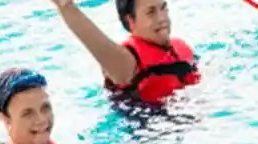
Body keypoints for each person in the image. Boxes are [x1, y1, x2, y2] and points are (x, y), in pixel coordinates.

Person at [50, 0, 199, 104]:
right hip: (152, 135)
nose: (162, 18)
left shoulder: (180, 47)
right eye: (151, 12)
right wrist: (66, 7)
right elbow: (94, 41)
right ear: (130, 21)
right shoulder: (127, 63)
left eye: (163, 8)